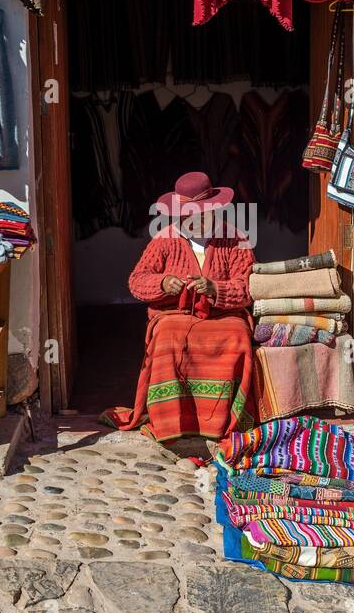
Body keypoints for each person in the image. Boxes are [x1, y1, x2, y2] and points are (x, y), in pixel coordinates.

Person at [101, 171, 255, 443]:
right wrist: (163, 283)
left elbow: (248, 287)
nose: (193, 220)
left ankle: (223, 419)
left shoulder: (236, 239)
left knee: (238, 335)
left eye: (200, 214)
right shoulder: (164, 239)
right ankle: (173, 422)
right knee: (167, 335)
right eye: (187, 215)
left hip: (223, 314)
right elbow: (137, 281)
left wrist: (215, 289)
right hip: (175, 315)